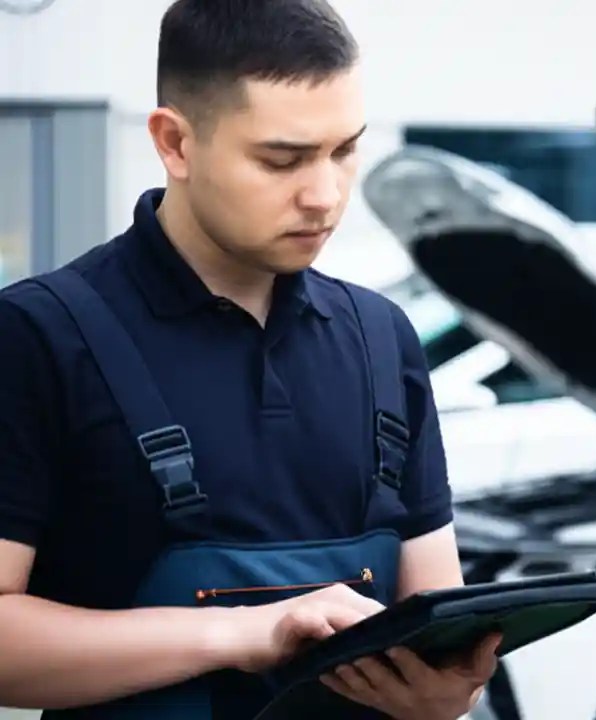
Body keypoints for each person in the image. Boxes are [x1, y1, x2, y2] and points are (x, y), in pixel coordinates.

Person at [0, 0, 499, 718]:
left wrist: (445, 693)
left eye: (344, 150)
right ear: (175, 143)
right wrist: (242, 632)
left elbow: (430, 605)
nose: (324, 195)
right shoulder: (37, 337)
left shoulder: (384, 337)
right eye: (282, 159)